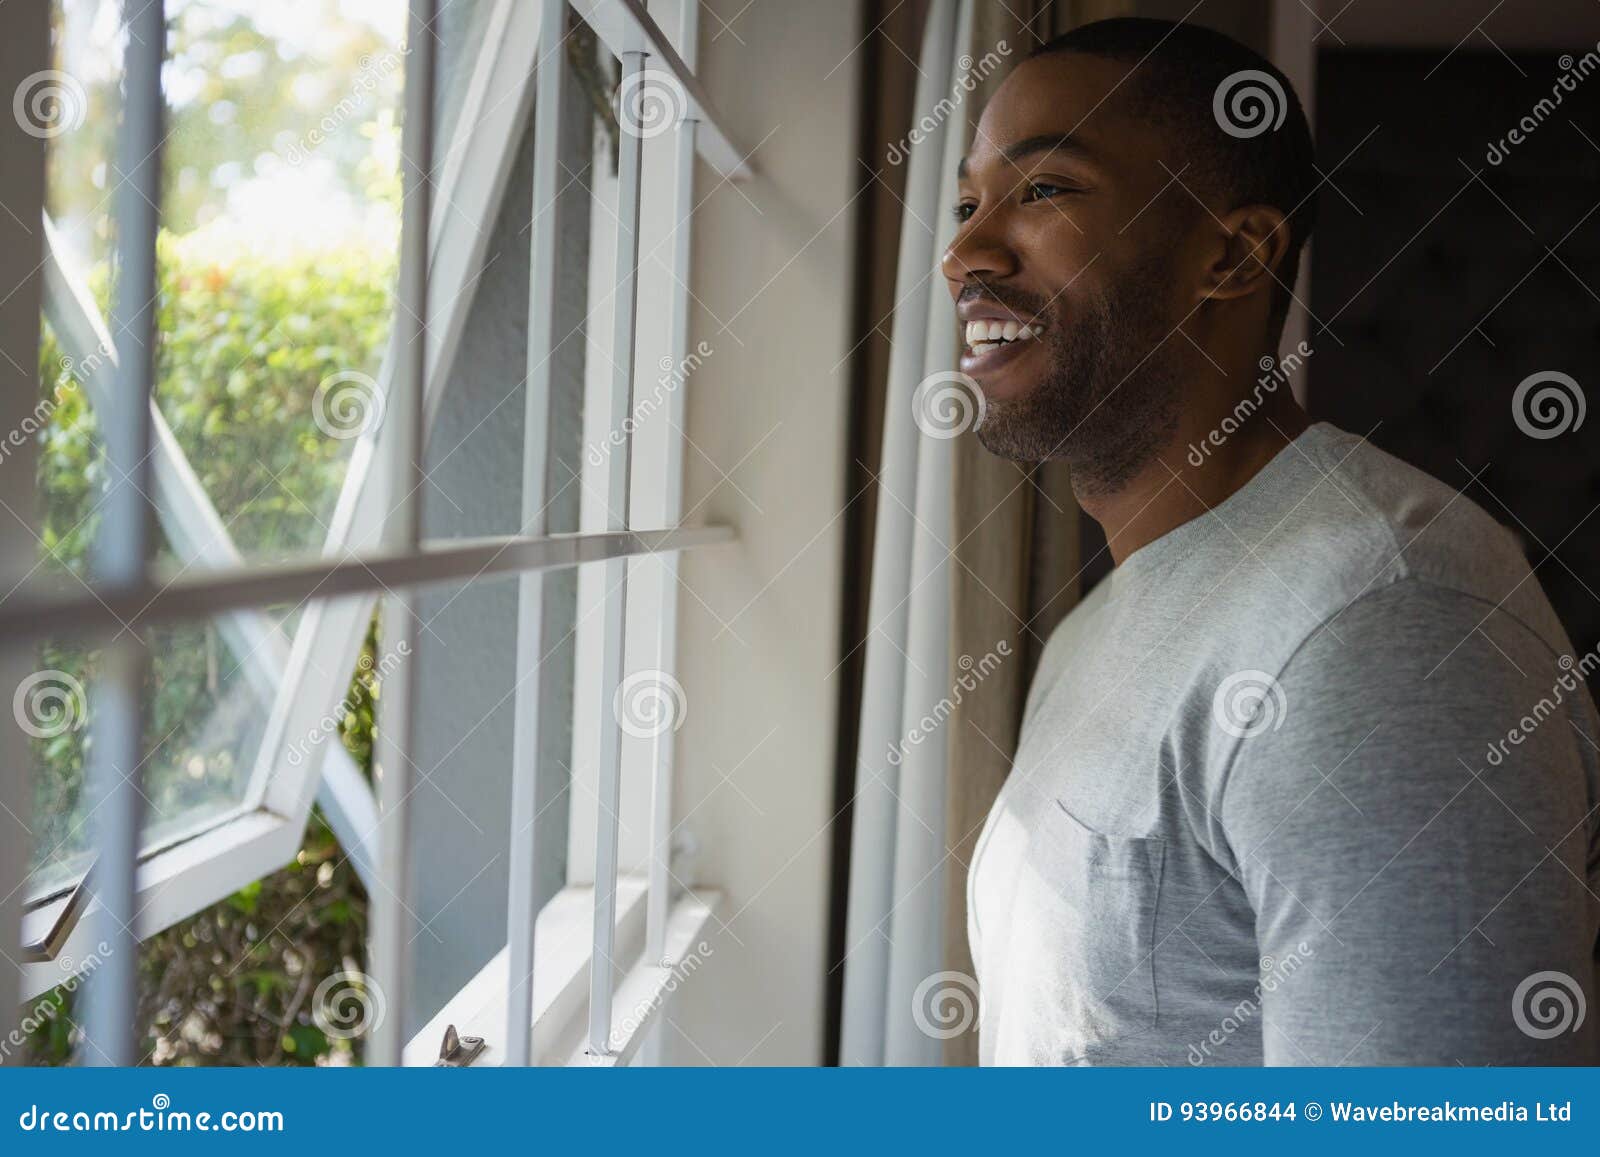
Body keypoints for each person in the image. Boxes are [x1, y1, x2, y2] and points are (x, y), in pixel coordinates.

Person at [945, 17, 1600, 1065]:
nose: (964, 255)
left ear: (1231, 254)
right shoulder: (1094, 628)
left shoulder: (1383, 625)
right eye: (967, 204)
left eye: (1045, 189)